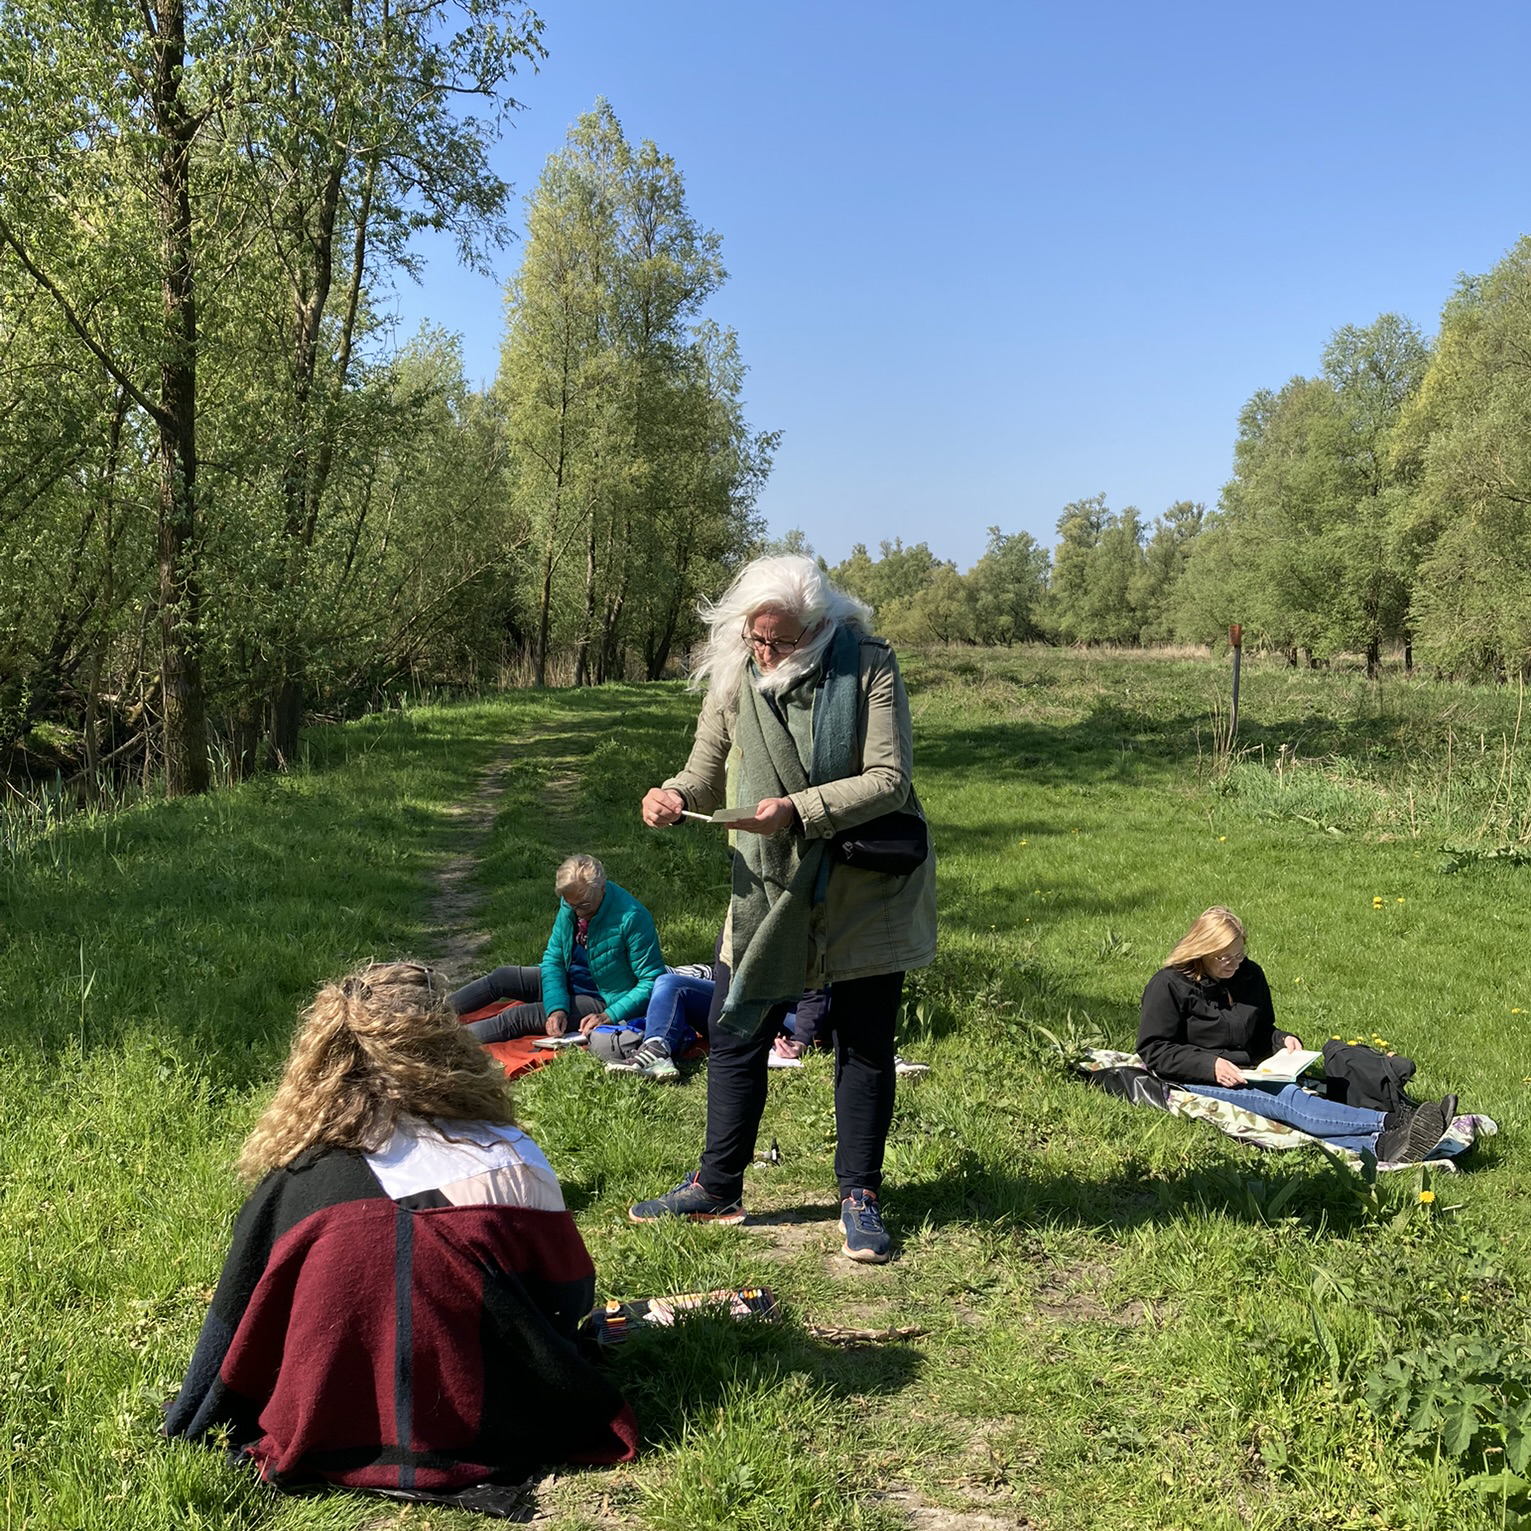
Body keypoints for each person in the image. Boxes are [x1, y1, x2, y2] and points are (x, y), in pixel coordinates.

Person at [164, 961, 638, 1506]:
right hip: (491, 1413)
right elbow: (568, 1295)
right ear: (448, 1043)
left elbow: (244, 1309)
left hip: (321, 1414)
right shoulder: (510, 1153)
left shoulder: (295, 1175)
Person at [629, 554, 937, 1263]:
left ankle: (859, 1196)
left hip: (865, 887)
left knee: (863, 1041)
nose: (764, 651)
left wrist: (796, 810)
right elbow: (705, 769)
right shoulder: (736, 670)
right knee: (734, 1028)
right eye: (755, 635)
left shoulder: (869, 665)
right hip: (765, 887)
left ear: (819, 627)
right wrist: (673, 795)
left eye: (780, 640)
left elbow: (889, 780)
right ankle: (716, 1185)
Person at [1137, 907, 1456, 1163]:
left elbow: (1261, 1031)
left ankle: (1382, 1146)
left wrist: (1281, 1040)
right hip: (1197, 1077)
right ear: (1201, 951)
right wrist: (1210, 1066)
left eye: (1239, 954)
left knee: (1298, 1110)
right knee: (1289, 1101)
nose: (1234, 964)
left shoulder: (1250, 975)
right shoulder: (1169, 984)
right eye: (1224, 957)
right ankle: (1395, 1121)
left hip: (1251, 1070)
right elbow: (1153, 1049)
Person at [448, 854, 665, 1042]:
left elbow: (651, 981)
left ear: (602, 888)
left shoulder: (632, 918)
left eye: (583, 905)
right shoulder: (572, 902)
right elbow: (554, 959)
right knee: (502, 977)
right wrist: (557, 1007)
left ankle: (446, 1042)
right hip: (570, 979)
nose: (578, 912)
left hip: (603, 998)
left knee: (518, 1017)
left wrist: (609, 1015)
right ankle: (431, 1012)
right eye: (571, 905)